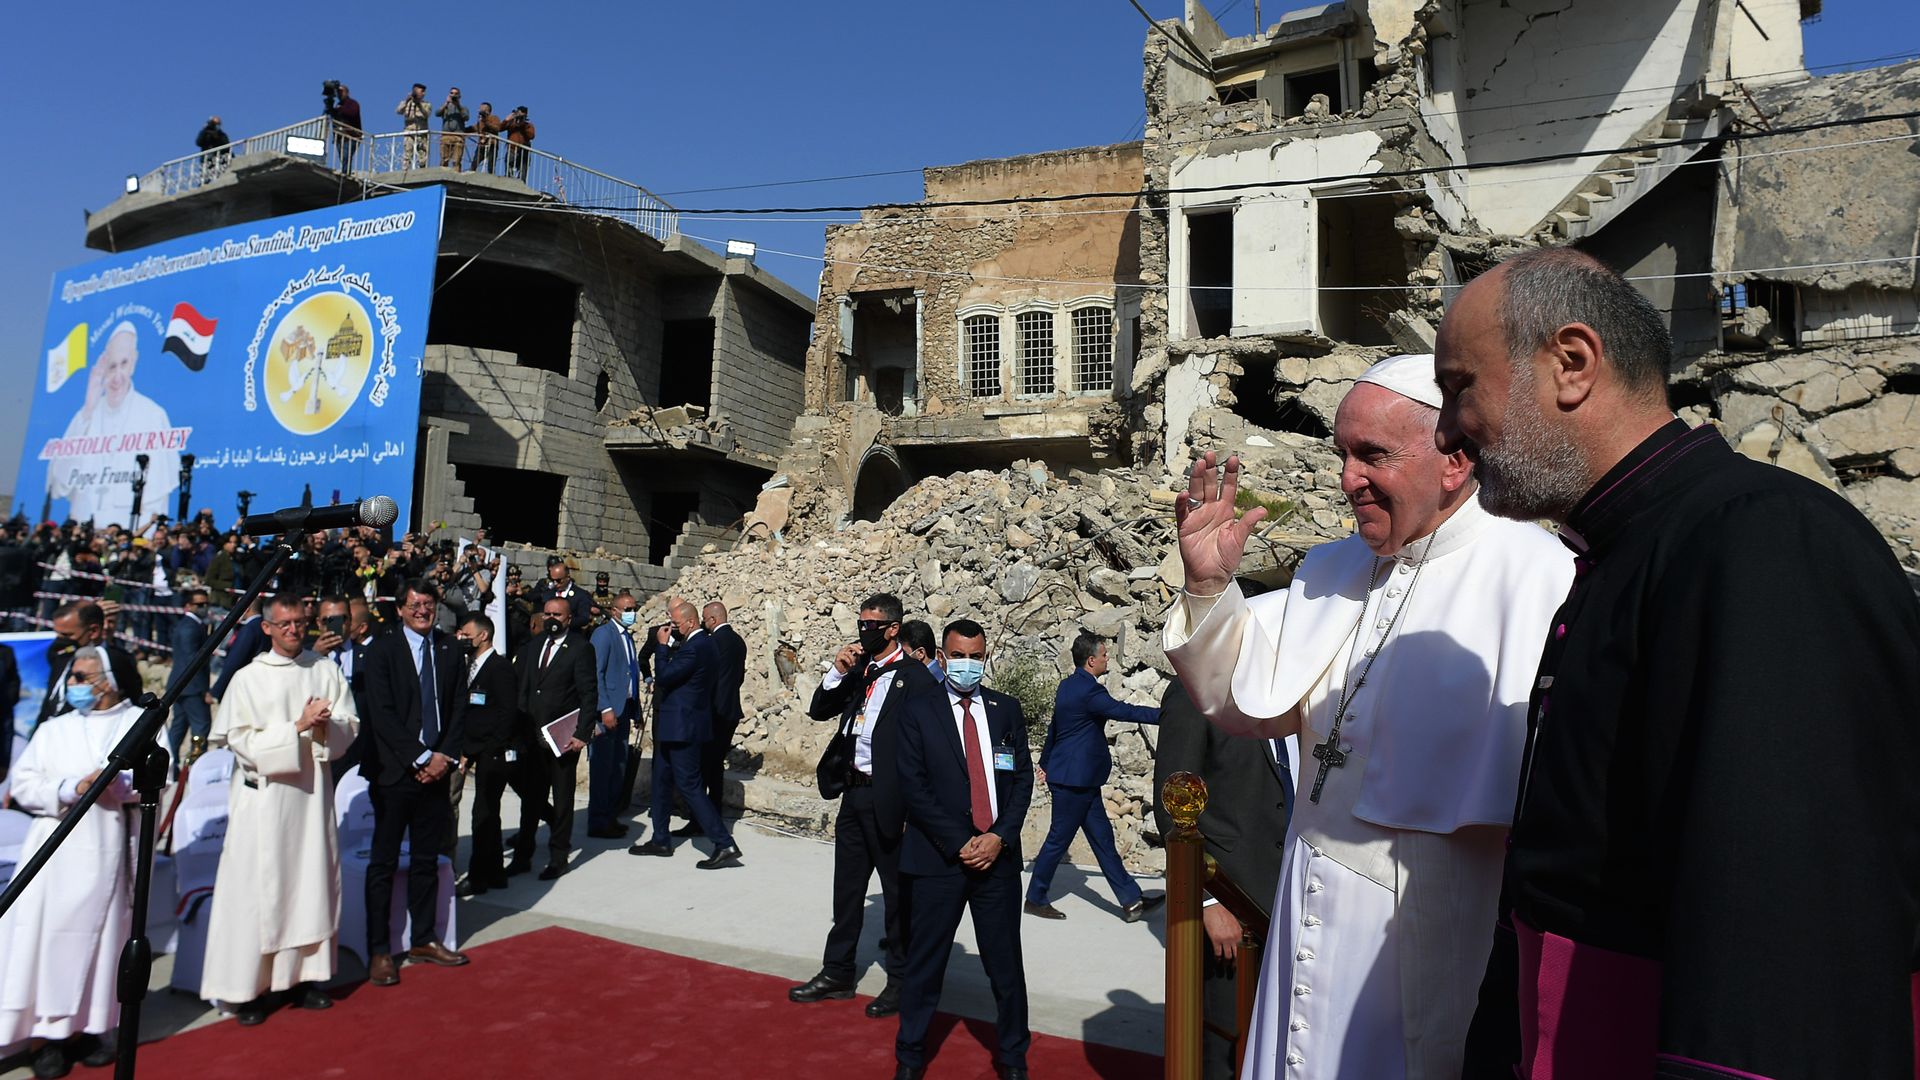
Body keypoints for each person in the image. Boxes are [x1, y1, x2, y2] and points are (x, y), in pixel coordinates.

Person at [1434, 249, 1920, 1078]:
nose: (1446, 428)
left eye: (1459, 387)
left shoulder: (1764, 544)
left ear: (1572, 364)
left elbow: (1786, 935)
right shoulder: (1629, 550)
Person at [1165, 352, 1574, 1080]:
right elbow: (1239, 699)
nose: (1348, 478)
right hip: (1305, 889)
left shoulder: (1538, 575)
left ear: (1454, 460)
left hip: (1428, 920)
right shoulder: (1332, 570)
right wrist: (1207, 585)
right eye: (1342, 455)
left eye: (1372, 455)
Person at [199, 596, 358, 1024]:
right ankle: (250, 988)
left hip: (309, 797)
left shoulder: (324, 670)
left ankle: (305, 978)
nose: (294, 630)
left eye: (300, 623)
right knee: (256, 894)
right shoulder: (248, 679)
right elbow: (240, 741)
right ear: (266, 628)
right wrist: (298, 728)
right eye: (285, 624)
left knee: (310, 887)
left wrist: (328, 726)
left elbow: (350, 724)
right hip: (263, 800)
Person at [892, 618, 1033, 1080]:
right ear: (942, 656)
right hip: (938, 861)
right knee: (925, 965)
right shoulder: (918, 710)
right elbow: (913, 787)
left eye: (976, 657)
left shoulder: (1005, 709)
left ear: (985, 656)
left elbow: (1020, 780)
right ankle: (911, 1056)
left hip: (997, 860)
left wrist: (999, 837)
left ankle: (1013, 1057)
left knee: (1006, 967)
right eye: (959, 656)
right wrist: (960, 843)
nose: (967, 665)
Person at [0, 647, 150, 1076]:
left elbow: (160, 777)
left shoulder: (137, 723)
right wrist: (70, 787)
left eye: (84, 677)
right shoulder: (53, 728)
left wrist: (114, 784)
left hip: (110, 845)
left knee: (103, 944)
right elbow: (25, 784)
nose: (75, 686)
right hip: (54, 851)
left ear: (110, 680)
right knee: (45, 942)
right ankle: (47, 1038)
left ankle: (90, 1028)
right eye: (73, 677)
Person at [787, 594, 932, 1017]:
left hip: (890, 800)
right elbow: (819, 709)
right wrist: (837, 670)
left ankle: (902, 979)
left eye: (871, 625)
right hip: (853, 795)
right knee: (847, 890)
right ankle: (838, 971)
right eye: (860, 622)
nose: (862, 631)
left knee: (896, 894)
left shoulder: (915, 680)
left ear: (892, 629)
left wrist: (912, 810)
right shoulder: (862, 671)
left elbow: (923, 752)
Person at [1152, 666, 1296, 1080]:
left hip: (1284, 899)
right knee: (1220, 1041)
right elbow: (1173, 806)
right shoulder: (1193, 692)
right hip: (1229, 906)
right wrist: (1207, 901)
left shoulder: (1291, 691)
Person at [1026, 631, 1164, 922]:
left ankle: (1131, 900)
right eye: (1104, 655)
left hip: (1078, 780)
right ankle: (1035, 898)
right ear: (1091, 660)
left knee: (1102, 841)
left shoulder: (1067, 686)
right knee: (1058, 840)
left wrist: (1046, 761)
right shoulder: (1091, 692)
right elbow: (1124, 711)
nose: (1107, 659)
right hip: (1074, 781)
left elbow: (1055, 728)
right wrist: (1166, 715)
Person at [627, 599, 741, 868]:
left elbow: (665, 676)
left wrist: (663, 649)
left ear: (690, 622)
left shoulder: (697, 647)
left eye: (676, 623)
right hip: (675, 725)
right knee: (661, 780)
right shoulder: (705, 644)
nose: (672, 628)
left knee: (689, 785)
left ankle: (724, 843)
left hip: (682, 727)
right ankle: (661, 838)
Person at [45, 322, 179, 528]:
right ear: (102, 368)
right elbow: (59, 485)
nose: (117, 377)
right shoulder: (85, 415)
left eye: (123, 364)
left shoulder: (153, 415)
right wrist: (88, 412)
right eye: (111, 366)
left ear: (133, 361)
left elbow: (159, 496)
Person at [454, 614, 540, 897]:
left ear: (483, 636)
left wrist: (488, 749)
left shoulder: (499, 668)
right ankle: (495, 873)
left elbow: (506, 713)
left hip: (496, 753)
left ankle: (478, 877)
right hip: (480, 749)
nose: (462, 638)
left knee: (483, 815)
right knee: (488, 814)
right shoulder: (472, 666)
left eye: (467, 634)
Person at [512, 596, 597, 880]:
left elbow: (588, 694)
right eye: (547, 613)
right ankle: (523, 855)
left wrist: (581, 733)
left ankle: (558, 857)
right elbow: (524, 689)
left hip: (562, 740)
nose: (551, 619)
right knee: (530, 800)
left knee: (561, 801)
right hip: (532, 737)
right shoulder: (533, 646)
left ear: (569, 619)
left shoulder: (580, 649)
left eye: (557, 615)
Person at [586, 591, 641, 839]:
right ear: (615, 611)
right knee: (602, 767)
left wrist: (635, 710)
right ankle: (598, 820)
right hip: (608, 713)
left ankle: (610, 816)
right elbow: (595, 675)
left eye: (634, 608)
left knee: (618, 766)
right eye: (628, 608)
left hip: (624, 711)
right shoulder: (604, 635)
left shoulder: (626, 637)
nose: (632, 612)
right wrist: (605, 708)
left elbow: (629, 673)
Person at [695, 601, 746, 824]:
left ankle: (702, 818)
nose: (704, 624)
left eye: (705, 619)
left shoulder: (712, 642)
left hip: (712, 711)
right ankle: (712, 813)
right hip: (731, 709)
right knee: (715, 766)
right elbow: (739, 677)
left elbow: (705, 678)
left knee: (704, 766)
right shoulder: (738, 642)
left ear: (713, 620)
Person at [165, 586, 216, 766]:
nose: (204, 607)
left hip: (180, 685)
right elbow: (192, 662)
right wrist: (203, 690)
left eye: (206, 603)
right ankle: (195, 765)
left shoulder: (191, 625)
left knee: (179, 726)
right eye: (199, 604)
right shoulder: (190, 628)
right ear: (188, 606)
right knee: (200, 726)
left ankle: (171, 764)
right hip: (192, 687)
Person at [210, 597, 269, 703]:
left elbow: (234, 661)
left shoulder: (249, 629)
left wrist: (216, 692)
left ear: (247, 608)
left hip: (242, 687)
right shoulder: (264, 626)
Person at [527, 555, 593, 626]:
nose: (555, 584)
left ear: (567, 577)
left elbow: (584, 618)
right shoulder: (548, 593)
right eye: (553, 580)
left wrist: (565, 622)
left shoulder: (581, 595)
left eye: (558, 580)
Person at [326, 83, 362, 171]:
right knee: (343, 158)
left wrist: (340, 109)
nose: (339, 94)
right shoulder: (338, 105)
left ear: (347, 93)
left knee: (346, 156)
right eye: (338, 92)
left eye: (341, 91)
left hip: (352, 136)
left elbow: (352, 113)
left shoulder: (353, 103)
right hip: (340, 137)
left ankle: (345, 174)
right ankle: (345, 172)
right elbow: (332, 115)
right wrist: (330, 104)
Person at [396, 83, 430, 169]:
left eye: (423, 92)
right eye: (420, 91)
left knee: (422, 153)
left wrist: (419, 104)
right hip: (409, 130)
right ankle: (405, 169)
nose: (422, 93)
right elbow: (398, 111)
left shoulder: (426, 104)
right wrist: (407, 101)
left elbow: (427, 114)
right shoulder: (406, 103)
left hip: (421, 132)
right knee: (408, 151)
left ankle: (422, 169)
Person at [434, 87, 468, 170]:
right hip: (446, 136)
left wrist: (458, 105)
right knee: (444, 159)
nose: (454, 95)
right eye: (452, 93)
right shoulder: (445, 107)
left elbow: (466, 117)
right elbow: (437, 113)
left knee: (456, 160)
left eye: (456, 94)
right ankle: (442, 176)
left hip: (458, 137)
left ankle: (456, 176)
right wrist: (446, 103)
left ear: (459, 96)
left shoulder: (463, 108)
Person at [501, 106, 535, 180]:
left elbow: (531, 135)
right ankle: (508, 178)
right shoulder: (511, 123)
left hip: (523, 150)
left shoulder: (528, 125)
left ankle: (522, 181)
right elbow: (500, 128)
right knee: (509, 163)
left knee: (523, 167)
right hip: (512, 148)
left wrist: (522, 124)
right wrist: (507, 119)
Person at [469, 101, 504, 174]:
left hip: (492, 144)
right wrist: (462, 130)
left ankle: (491, 178)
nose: (480, 110)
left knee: (491, 165)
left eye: (482, 109)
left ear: (488, 110)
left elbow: (497, 128)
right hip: (482, 145)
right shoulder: (481, 121)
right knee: (474, 163)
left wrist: (486, 122)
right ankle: (470, 174)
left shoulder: (494, 118)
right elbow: (474, 128)